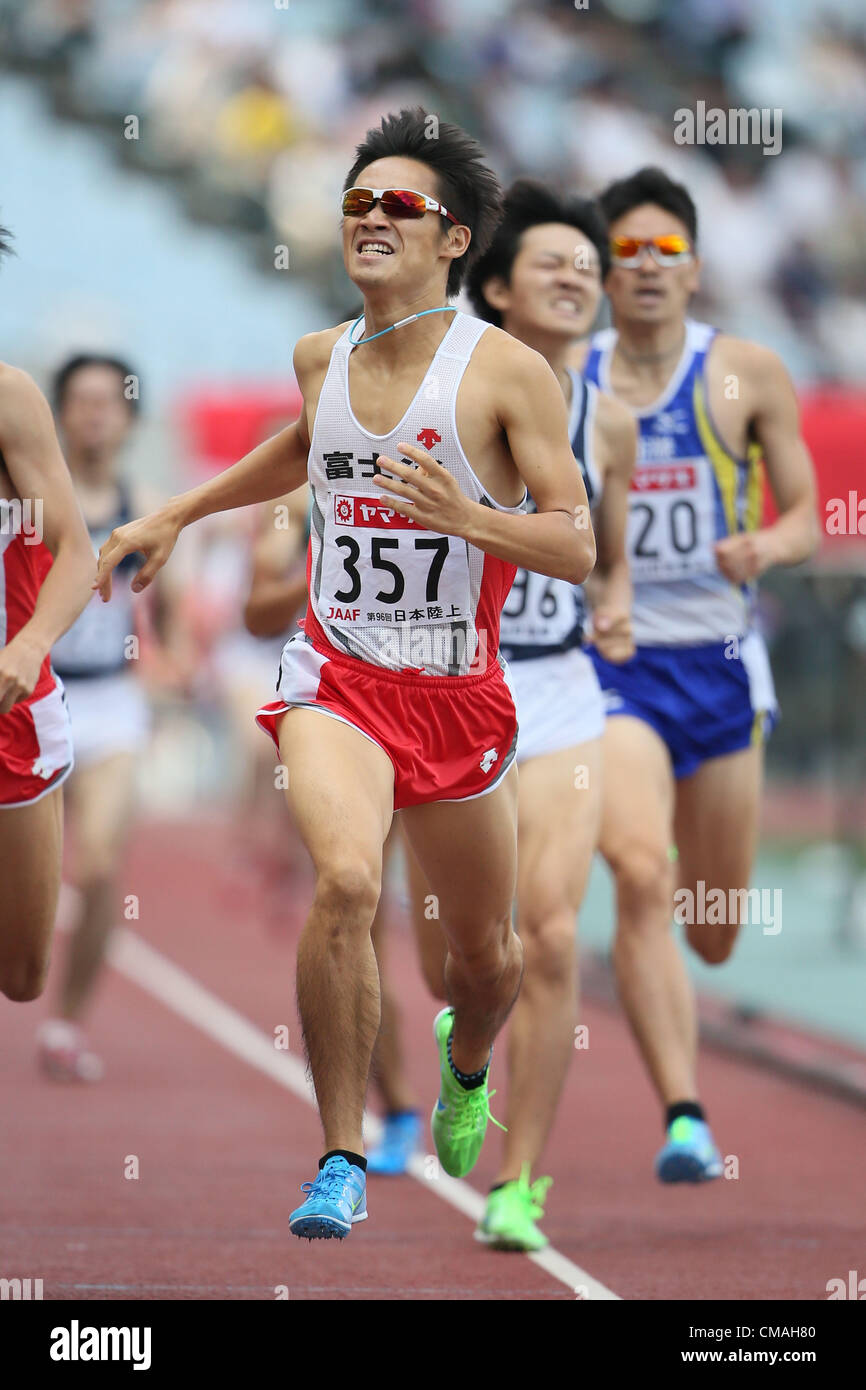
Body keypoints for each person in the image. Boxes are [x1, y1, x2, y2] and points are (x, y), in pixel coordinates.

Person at [94, 109, 596, 1241]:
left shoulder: (507, 375)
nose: (369, 218)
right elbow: (303, 441)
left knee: (485, 959)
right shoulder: (322, 356)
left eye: (397, 206)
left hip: (459, 693)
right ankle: (341, 1154)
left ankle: (464, 1065)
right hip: (340, 675)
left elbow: (572, 542)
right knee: (345, 883)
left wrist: (470, 516)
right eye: (355, 203)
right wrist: (176, 508)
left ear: (453, 239)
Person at [368, 179, 636, 1248]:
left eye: (588, 266)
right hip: (451, 684)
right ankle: (465, 1040)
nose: (577, 277)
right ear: (492, 286)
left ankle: (520, 1183)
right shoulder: (443, 394)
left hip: (560, 687)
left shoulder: (602, 418)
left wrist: (610, 606)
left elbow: (597, 561)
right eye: (553, 263)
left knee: (556, 931)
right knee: (462, 961)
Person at [575, 167, 818, 1181]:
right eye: (621, 252)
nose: (641, 270)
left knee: (711, 932)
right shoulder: (563, 376)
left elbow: (808, 517)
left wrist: (761, 549)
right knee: (638, 869)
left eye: (660, 253)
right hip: (613, 664)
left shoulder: (746, 373)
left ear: (693, 270)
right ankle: (683, 1113)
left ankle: (686, 1028)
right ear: (599, 271)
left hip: (719, 668)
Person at [36, 354, 179, 1080]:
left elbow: (174, 601)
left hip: (110, 702)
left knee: (97, 868)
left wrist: (175, 662)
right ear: (57, 411)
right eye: (80, 400)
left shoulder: (144, 500)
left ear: (129, 417)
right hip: (31, 693)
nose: (94, 413)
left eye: (108, 401)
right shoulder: (32, 497)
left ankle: (66, 1023)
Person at [0, 226, 96, 1008]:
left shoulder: (9, 398)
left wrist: (30, 643)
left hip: (10, 709)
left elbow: (76, 551)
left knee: (22, 974)